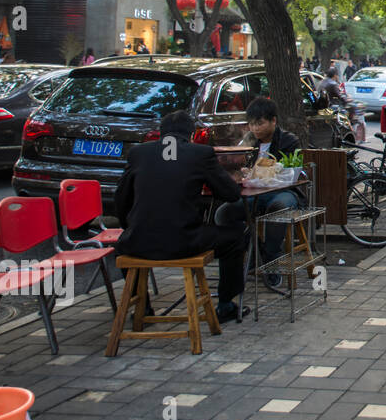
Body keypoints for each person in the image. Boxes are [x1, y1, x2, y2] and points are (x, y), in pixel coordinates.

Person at [114, 110, 248, 322]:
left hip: (138, 242)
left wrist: (129, 227)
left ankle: (142, 307)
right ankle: (225, 305)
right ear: (191, 134)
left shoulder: (138, 153)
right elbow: (231, 194)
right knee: (236, 235)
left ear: (161, 133)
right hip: (184, 242)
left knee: (121, 246)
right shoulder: (200, 153)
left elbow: (121, 198)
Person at [214, 97, 303, 290]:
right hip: (253, 194)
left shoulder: (289, 141)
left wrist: (263, 172)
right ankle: (250, 250)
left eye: (260, 123)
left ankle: (271, 259)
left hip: (283, 191)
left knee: (278, 207)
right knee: (223, 213)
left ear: (273, 121)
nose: (255, 129)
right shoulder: (249, 141)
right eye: (252, 124)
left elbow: (289, 174)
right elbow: (239, 165)